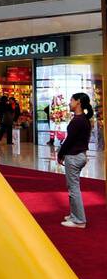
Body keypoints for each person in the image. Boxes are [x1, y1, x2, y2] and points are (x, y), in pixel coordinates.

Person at [58, 92, 93, 229]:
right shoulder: (83, 119)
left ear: (78, 102)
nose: (69, 102)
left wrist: (60, 154)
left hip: (74, 156)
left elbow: (69, 141)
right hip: (80, 155)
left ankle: (79, 220)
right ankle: (74, 215)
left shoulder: (78, 121)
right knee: (72, 187)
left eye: (71, 100)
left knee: (73, 189)